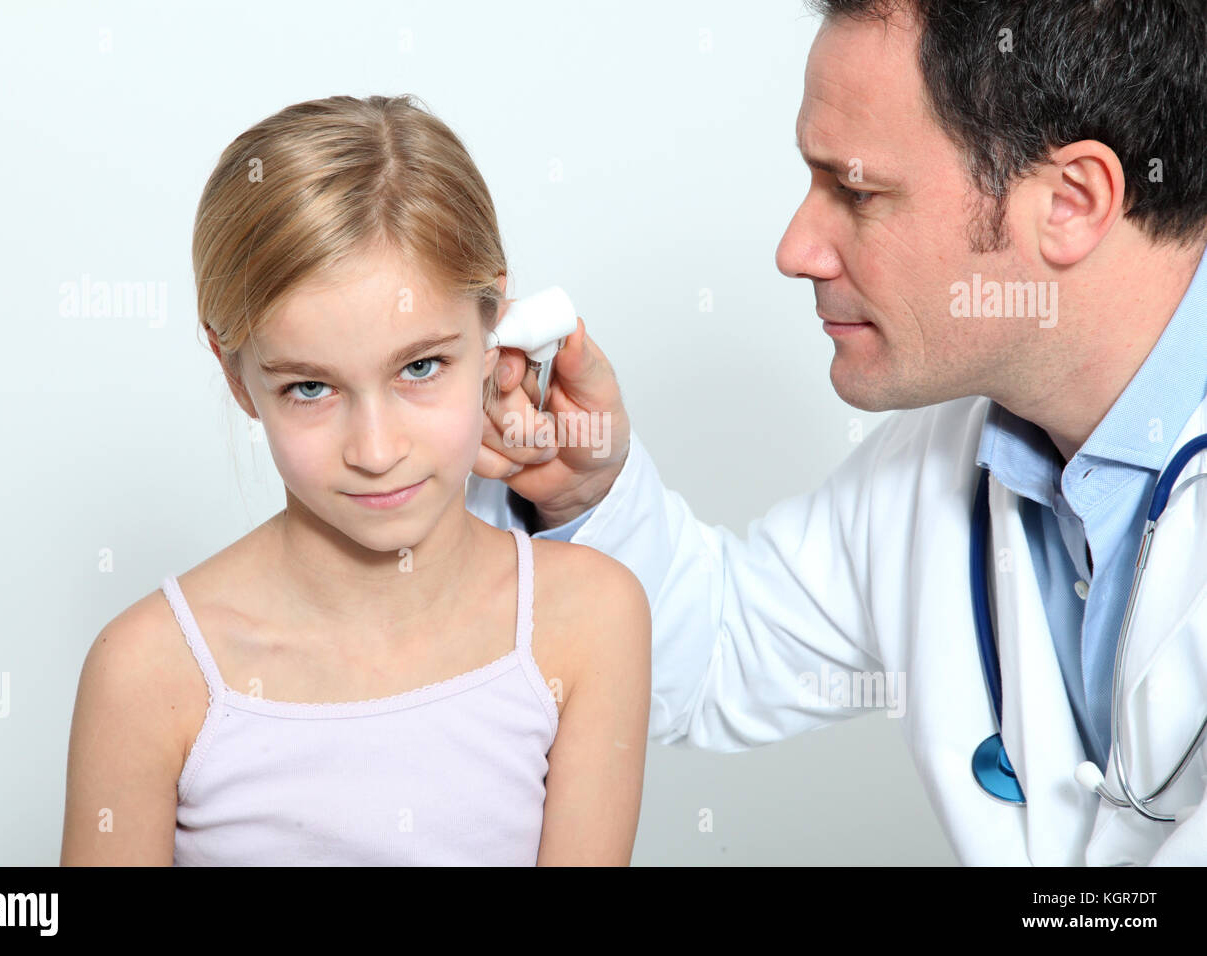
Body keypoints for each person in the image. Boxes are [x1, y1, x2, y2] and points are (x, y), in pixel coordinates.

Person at [468, 0, 1207, 865]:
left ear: (1072, 202)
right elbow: (715, 658)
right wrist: (587, 494)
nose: (795, 248)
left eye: (856, 191)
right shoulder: (959, 448)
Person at [60, 94, 651, 867]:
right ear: (235, 374)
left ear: (492, 323)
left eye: (420, 367)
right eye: (311, 388)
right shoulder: (150, 670)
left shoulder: (588, 620)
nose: (374, 451)